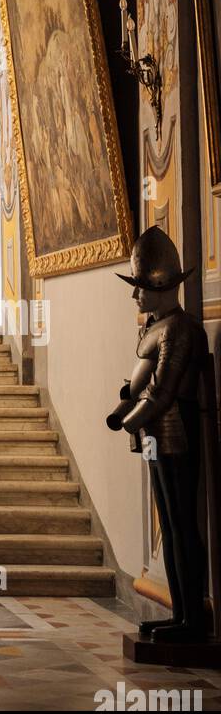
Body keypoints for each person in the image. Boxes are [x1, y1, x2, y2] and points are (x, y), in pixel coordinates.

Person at [106, 226, 209, 642]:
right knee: (168, 520)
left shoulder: (181, 329)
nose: (136, 296)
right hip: (153, 431)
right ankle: (179, 611)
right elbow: (142, 380)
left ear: (162, 285)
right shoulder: (155, 324)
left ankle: (193, 619)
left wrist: (125, 419)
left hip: (175, 430)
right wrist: (125, 399)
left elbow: (164, 390)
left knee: (183, 522)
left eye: (141, 288)